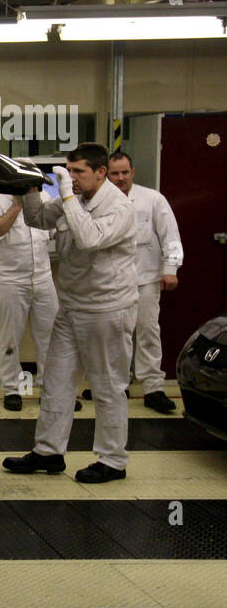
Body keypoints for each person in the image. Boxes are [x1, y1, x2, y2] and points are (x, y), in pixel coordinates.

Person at [4, 145, 138, 483]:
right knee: (57, 383)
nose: (72, 178)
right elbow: (37, 219)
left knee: (107, 386)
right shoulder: (74, 199)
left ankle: (113, 460)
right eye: (69, 171)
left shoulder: (119, 207)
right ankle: (48, 452)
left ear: (100, 172)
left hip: (107, 309)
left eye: (78, 172)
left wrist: (65, 194)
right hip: (72, 306)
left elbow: (90, 238)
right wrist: (30, 188)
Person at [107, 151, 183, 414]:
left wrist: (170, 267)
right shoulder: (100, 201)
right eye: (115, 173)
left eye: (124, 172)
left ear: (132, 172)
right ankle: (118, 385)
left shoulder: (153, 199)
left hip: (147, 278)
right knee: (116, 335)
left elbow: (170, 235)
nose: (120, 178)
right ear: (106, 173)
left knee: (148, 331)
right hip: (113, 281)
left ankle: (153, 388)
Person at [0, 187, 57, 410]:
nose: (31, 189)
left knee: (51, 337)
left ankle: (51, 389)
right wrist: (17, 205)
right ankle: (12, 390)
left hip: (43, 278)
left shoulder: (44, 198)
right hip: (10, 281)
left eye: (33, 184)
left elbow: (53, 231)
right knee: (9, 339)